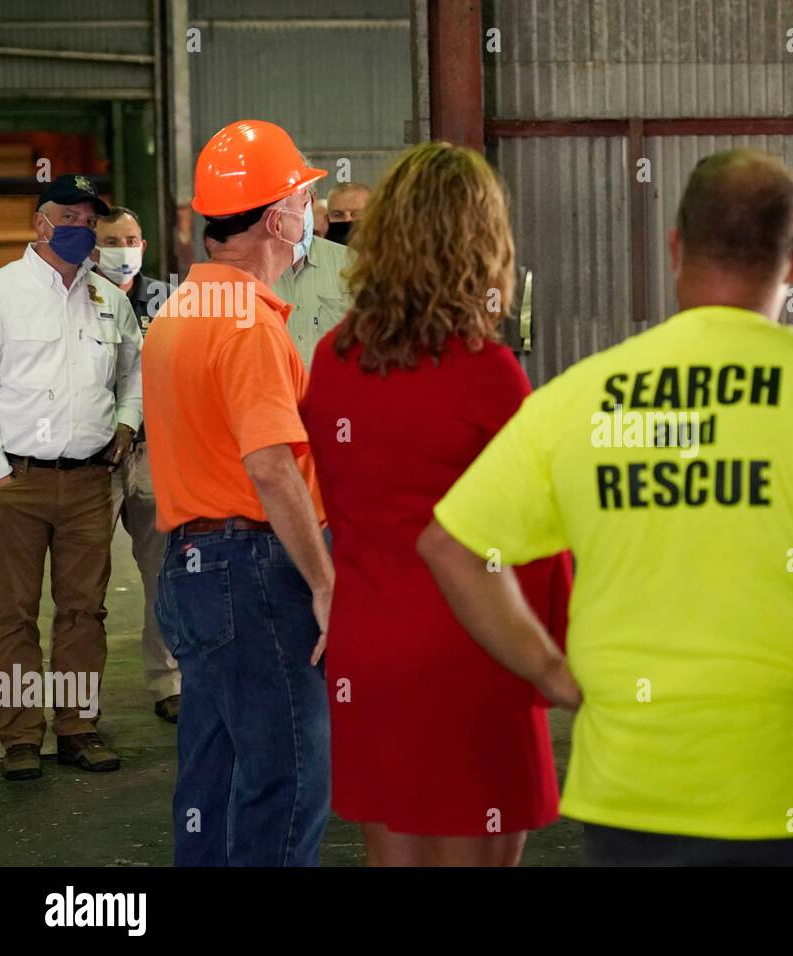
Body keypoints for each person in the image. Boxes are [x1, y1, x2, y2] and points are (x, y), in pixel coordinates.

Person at [420, 149, 793, 866]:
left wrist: (547, 670)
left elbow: (453, 546)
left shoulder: (586, 394)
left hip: (635, 787)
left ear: (675, 247)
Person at [301, 142, 572, 867]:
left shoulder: (331, 360)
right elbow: (536, 547)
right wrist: (558, 657)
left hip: (373, 652)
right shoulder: (490, 376)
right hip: (474, 655)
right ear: (481, 244)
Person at [145, 119, 333, 865]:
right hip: (254, 571)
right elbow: (269, 464)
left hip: (192, 570)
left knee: (213, 780)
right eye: (304, 197)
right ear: (277, 216)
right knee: (287, 779)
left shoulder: (180, 312)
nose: (311, 212)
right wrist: (322, 580)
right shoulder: (248, 324)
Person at [0, 174, 142, 781]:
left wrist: (128, 423)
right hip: (17, 484)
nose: (84, 229)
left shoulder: (110, 297)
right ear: (42, 224)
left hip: (88, 483)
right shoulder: (3, 293)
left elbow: (135, 369)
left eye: (91, 220)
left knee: (85, 611)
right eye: (72, 218)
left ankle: (78, 727)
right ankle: (22, 736)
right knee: (12, 613)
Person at [92, 206, 181, 723]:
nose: (123, 248)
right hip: (94, 459)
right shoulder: (78, 297)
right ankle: (81, 699)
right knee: (84, 580)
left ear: (143, 245)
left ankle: (168, 681)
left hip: (155, 455)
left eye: (131, 238)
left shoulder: (168, 300)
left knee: (163, 572)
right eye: (111, 239)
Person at [272, 181, 355, 370]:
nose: (287, 210)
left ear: (311, 199)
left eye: (297, 199)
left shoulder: (350, 264)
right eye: (279, 200)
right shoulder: (250, 272)